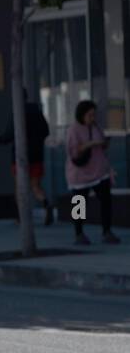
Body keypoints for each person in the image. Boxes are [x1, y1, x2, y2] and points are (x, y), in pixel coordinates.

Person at [66, 100, 119, 245]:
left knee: (106, 201)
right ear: (81, 114)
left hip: (99, 170)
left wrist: (104, 143)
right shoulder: (73, 130)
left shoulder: (96, 127)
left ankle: (107, 231)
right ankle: (79, 233)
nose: (92, 118)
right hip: (80, 173)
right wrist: (93, 143)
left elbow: (102, 145)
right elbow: (73, 151)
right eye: (90, 115)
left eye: (94, 114)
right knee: (79, 204)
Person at [0, 93, 55, 225]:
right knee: (35, 186)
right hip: (36, 155)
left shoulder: (16, 112)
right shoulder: (36, 111)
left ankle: (21, 216)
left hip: (20, 156)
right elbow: (46, 131)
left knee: (20, 187)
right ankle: (46, 202)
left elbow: (9, 133)